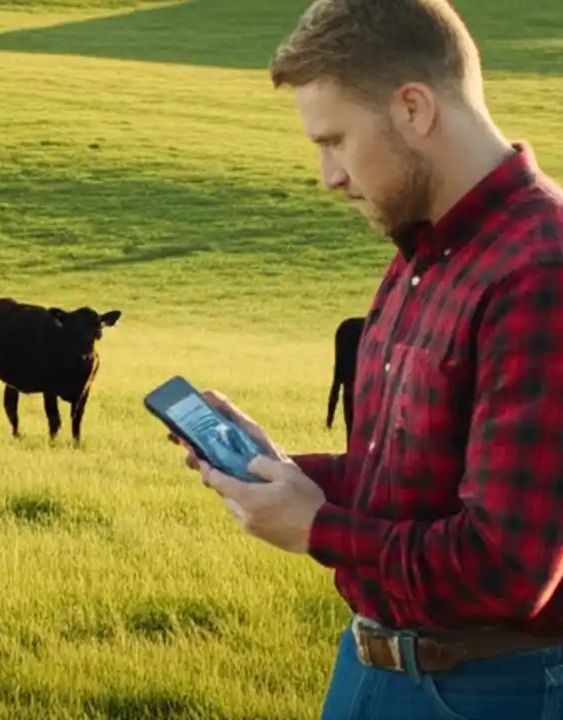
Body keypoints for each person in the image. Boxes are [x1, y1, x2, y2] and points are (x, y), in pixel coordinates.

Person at [166, 0, 563, 717]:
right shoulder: (419, 257)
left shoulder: (541, 273)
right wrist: (279, 474)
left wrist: (316, 526)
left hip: (485, 689)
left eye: (336, 140)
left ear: (413, 108)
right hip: (367, 667)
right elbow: (407, 484)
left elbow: (506, 567)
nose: (328, 176)